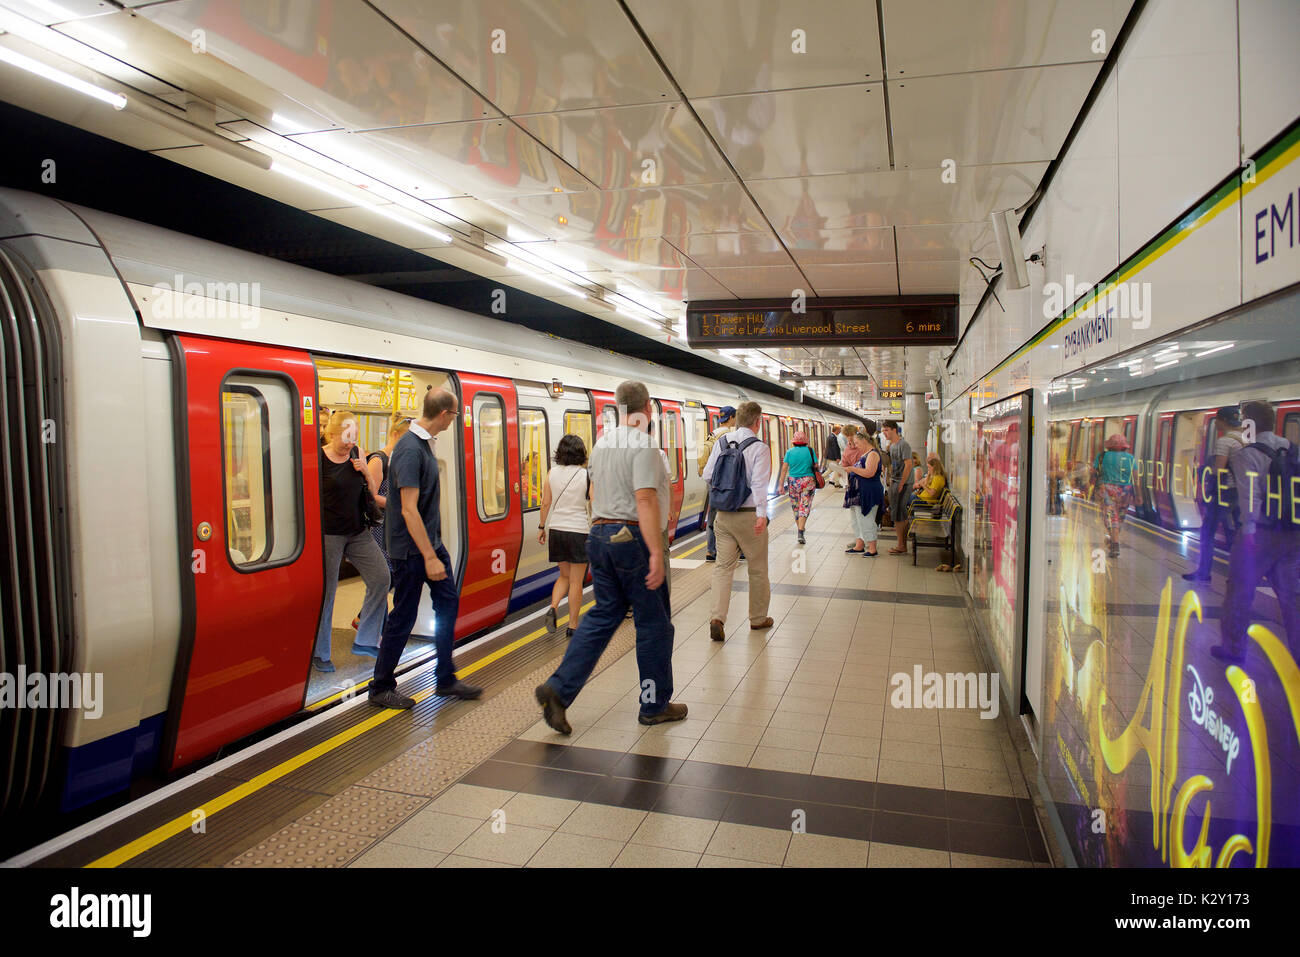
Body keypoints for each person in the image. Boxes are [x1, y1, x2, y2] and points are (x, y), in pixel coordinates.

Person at [534, 380, 686, 733]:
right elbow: (645, 499)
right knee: (654, 625)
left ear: (619, 408)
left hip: (599, 536)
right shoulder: (645, 445)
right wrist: (652, 552)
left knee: (603, 616)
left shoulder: (602, 444)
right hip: (630, 536)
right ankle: (654, 704)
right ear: (647, 408)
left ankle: (558, 689)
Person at [370, 388, 481, 709]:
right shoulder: (409, 449)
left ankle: (445, 678)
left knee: (447, 602)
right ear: (445, 414)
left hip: (429, 544)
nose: (455, 421)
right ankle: (380, 687)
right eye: (456, 415)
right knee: (403, 616)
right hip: (411, 551)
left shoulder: (424, 445)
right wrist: (430, 556)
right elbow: (407, 509)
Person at [1213, 400, 1300, 663]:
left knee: (1240, 590)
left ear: (1249, 423)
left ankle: (1234, 648)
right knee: (1292, 597)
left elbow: (1250, 499)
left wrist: (1248, 535)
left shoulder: (1246, 455)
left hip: (1260, 533)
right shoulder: (1292, 449)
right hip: (1292, 533)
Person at [314, 411, 390, 672]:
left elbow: (371, 490)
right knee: (328, 592)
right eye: (345, 438)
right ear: (332, 434)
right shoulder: (319, 458)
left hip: (358, 531)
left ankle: (367, 638)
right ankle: (320, 652)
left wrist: (365, 471)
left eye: (353, 437)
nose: (349, 443)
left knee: (381, 577)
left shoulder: (357, 452)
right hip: (330, 534)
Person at [703, 401, 773, 642]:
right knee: (757, 569)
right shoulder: (759, 448)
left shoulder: (721, 443)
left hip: (723, 516)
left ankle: (717, 618)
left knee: (723, 568)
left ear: (737, 419)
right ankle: (757, 619)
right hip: (749, 515)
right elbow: (759, 485)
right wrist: (762, 516)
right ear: (757, 421)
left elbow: (708, 475)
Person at [350, 413, 412, 632]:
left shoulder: (400, 459)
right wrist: (398, 504)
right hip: (380, 527)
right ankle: (373, 623)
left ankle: (366, 619)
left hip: (393, 526)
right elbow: (371, 495)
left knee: (392, 575)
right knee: (385, 575)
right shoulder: (379, 460)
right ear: (394, 435)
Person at [538, 434, 591, 638]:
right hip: (578, 530)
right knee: (576, 582)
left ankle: (553, 607)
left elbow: (545, 503)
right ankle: (573, 625)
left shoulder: (552, 473)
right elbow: (593, 502)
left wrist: (542, 527)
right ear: (581, 453)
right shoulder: (585, 475)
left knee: (564, 576)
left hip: (557, 530)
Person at [1184, 406, 1243, 583]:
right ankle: (1236, 575)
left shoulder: (1224, 442)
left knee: (1207, 532)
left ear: (1222, 420)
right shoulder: (1244, 440)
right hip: (1239, 493)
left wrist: (1205, 485)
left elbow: (1219, 470)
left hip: (1223, 493)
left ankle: (1204, 572)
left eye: (1217, 420)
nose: (1216, 423)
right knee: (1234, 535)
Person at [698, 406, 737, 562]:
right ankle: (733, 549)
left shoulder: (712, 434)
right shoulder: (729, 436)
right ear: (732, 418)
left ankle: (710, 550)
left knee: (712, 515)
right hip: (725, 480)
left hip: (712, 480)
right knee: (730, 514)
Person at [843, 423, 885, 556]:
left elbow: (869, 473)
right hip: (859, 492)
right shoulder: (866, 453)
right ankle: (859, 545)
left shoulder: (872, 454)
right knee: (857, 520)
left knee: (866, 519)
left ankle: (872, 549)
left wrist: (852, 469)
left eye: (856, 443)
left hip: (869, 492)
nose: (855, 446)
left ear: (864, 440)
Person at [1093, 433, 1136, 558]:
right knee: (1120, 517)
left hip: (1107, 490)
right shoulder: (1130, 458)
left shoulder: (1102, 457)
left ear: (1110, 446)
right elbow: (1135, 477)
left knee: (1111, 518)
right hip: (1125, 491)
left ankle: (1115, 544)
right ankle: (1113, 541)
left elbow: (1094, 471)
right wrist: (1138, 495)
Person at [778, 430, 818, 545]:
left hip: (793, 482)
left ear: (793, 442)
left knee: (796, 506)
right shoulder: (810, 451)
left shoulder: (789, 452)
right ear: (805, 441)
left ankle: (800, 530)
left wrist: (781, 485)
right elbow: (816, 465)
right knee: (804, 506)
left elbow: (784, 469)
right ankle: (801, 531)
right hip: (808, 481)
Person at [881, 421, 914, 554]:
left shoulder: (903, 445)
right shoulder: (891, 446)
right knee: (896, 512)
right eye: (883, 430)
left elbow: (908, 465)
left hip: (903, 483)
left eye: (887, 430)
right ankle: (900, 544)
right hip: (895, 481)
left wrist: (901, 483)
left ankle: (902, 545)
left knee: (900, 513)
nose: (884, 433)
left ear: (895, 430)